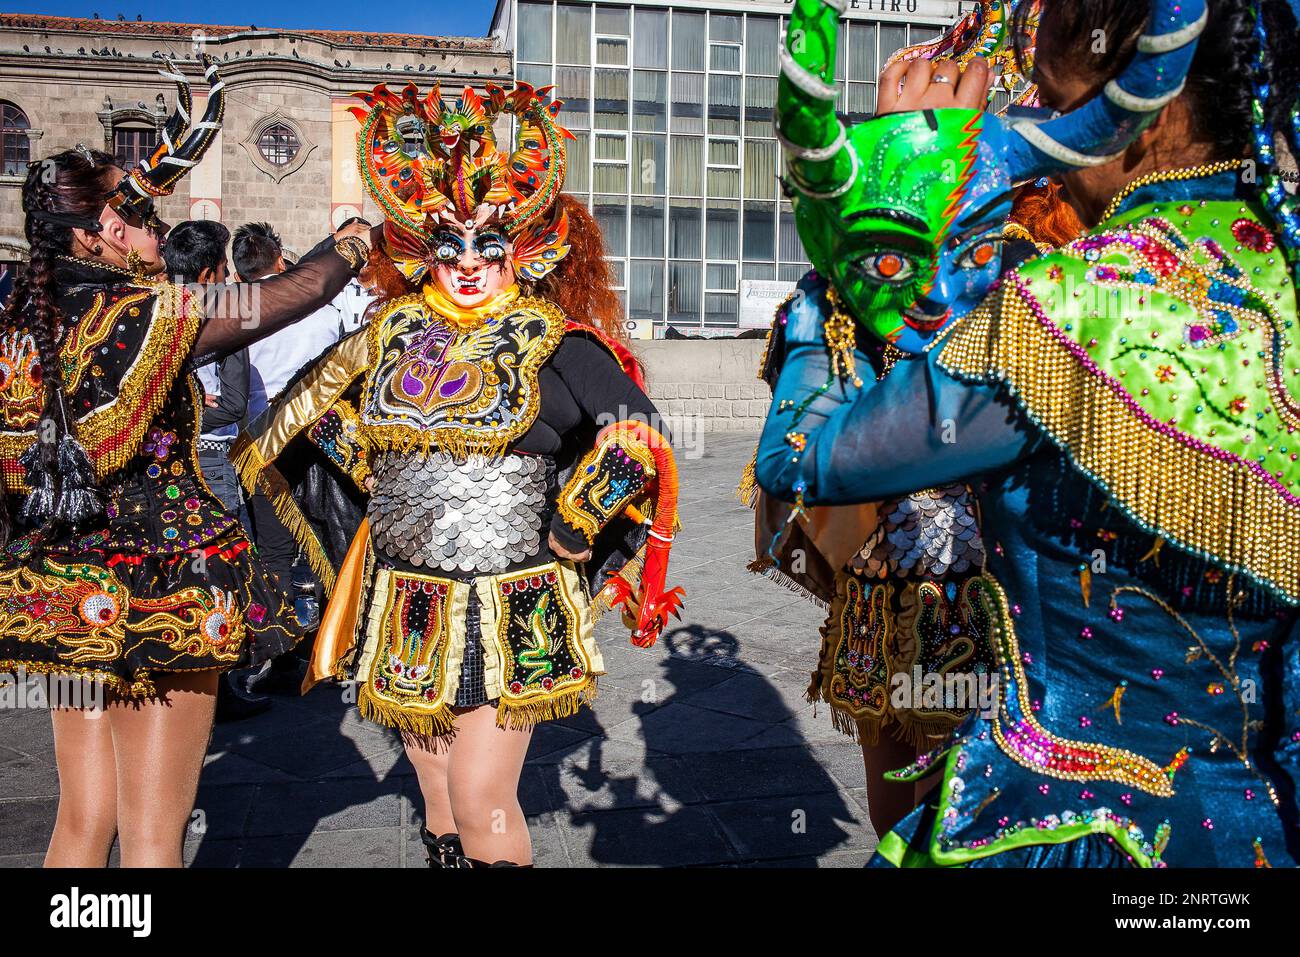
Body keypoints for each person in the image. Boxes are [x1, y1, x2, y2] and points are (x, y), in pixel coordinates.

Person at [758, 0, 1300, 867]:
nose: (1031, 131)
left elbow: (805, 457)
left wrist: (850, 256)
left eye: (1050, 101)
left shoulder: (1068, 307)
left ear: (1148, 109)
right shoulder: (1281, 277)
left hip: (1072, 825)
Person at [235, 81, 685, 867]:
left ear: (526, 248)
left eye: (489, 244)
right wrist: (380, 479)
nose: (470, 263)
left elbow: (639, 433)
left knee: (483, 799)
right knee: (438, 793)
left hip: (514, 600)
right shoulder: (390, 331)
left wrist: (578, 520)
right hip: (405, 599)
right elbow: (320, 411)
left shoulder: (558, 340)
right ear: (419, 250)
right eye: (450, 246)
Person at [0, 56, 373, 867]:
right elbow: (282, 297)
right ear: (99, 231)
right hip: (158, 585)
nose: (157, 236)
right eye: (138, 221)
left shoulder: (22, 328)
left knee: (79, 820)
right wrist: (353, 245)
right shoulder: (143, 313)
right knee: (150, 835)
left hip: (59, 587)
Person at [741, 0, 1086, 840]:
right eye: (900, 254)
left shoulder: (1041, 290)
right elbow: (794, 457)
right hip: (894, 604)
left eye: (965, 248)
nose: (934, 290)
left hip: (1021, 614)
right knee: (910, 811)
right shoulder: (836, 311)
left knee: (1004, 815)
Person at [162, 218, 271, 723]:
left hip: (163, 461)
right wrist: (193, 406)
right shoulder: (222, 322)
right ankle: (219, 684)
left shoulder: (153, 310)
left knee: (176, 572)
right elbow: (230, 405)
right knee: (225, 573)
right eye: (225, 268)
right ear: (209, 272)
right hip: (210, 462)